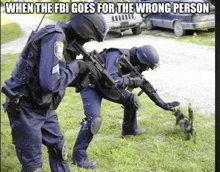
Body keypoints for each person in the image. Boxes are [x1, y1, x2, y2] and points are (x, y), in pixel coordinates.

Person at [2, 13, 107, 172]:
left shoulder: (65, 40)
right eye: (89, 38)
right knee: (33, 167)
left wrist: (84, 74)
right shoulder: (55, 37)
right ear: (82, 31)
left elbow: (56, 77)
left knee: (59, 148)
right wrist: (77, 66)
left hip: (42, 104)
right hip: (25, 106)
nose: (86, 42)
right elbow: (50, 83)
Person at [71, 45, 180, 169]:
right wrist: (132, 81)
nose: (146, 69)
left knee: (132, 100)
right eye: (147, 66)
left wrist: (163, 104)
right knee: (94, 120)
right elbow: (112, 79)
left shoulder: (134, 63)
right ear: (142, 60)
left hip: (106, 87)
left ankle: (129, 130)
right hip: (91, 86)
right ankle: (78, 157)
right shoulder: (116, 54)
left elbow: (145, 85)